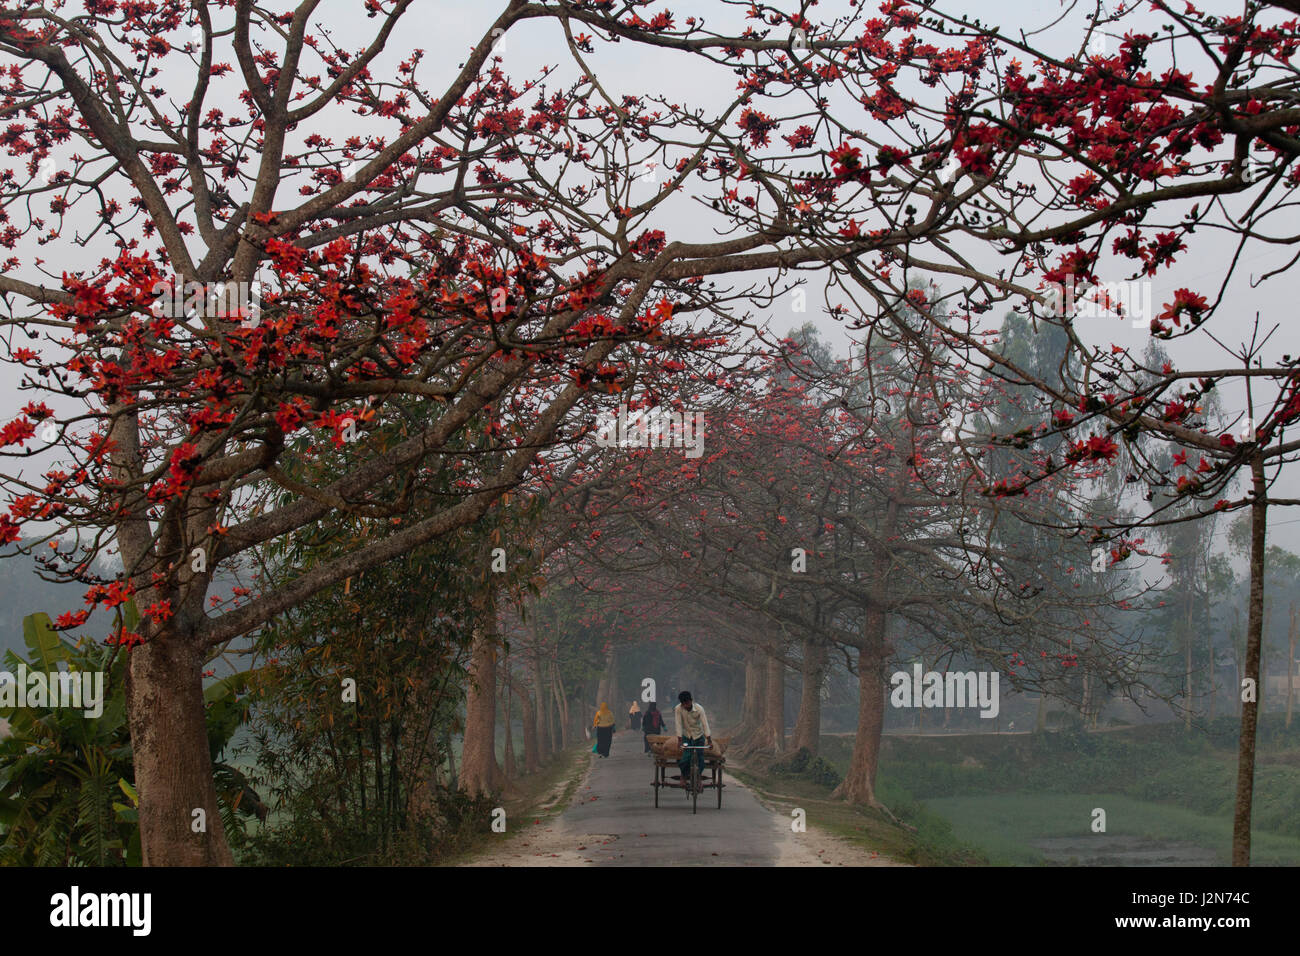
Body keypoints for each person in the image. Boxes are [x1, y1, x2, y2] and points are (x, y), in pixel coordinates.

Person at [673, 691, 711, 791]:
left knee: (700, 758)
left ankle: (698, 779)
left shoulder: (699, 709)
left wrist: (709, 740)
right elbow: (678, 724)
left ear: (691, 700)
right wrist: (679, 740)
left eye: (687, 703)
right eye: (683, 704)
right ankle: (684, 776)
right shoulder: (678, 709)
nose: (686, 705)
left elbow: (705, 724)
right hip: (686, 737)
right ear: (681, 703)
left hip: (698, 737)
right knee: (686, 757)